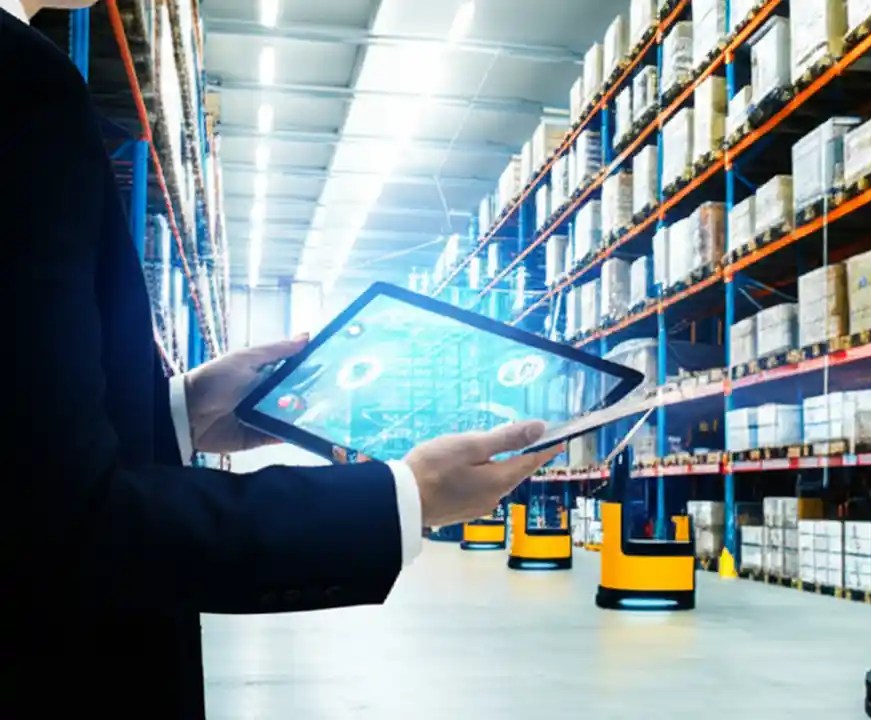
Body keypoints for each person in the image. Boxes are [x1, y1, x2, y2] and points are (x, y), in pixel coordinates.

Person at [0, 1, 560, 716]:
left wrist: (181, 411)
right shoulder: (20, 81)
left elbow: (19, 447)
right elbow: (65, 531)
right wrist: (406, 496)